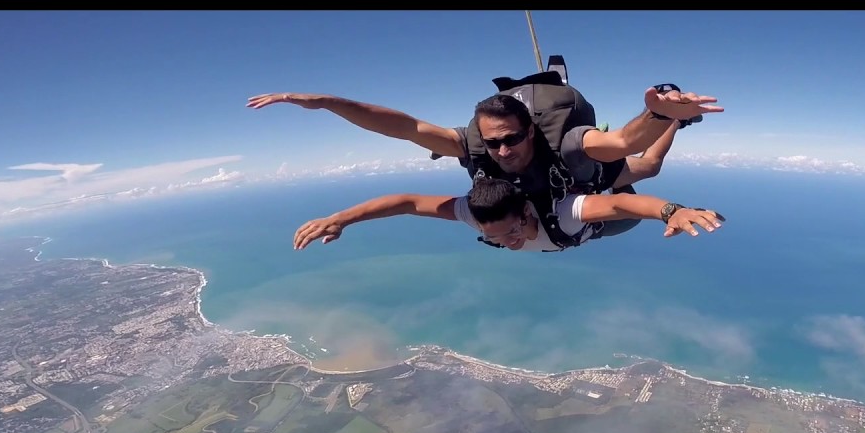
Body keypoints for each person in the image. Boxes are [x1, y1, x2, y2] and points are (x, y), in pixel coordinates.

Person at [246, 81, 721, 196]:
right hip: (542, 191)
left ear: (530, 129)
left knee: (649, 167)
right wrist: (330, 103)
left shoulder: (568, 140)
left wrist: (656, 114)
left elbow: (621, 144)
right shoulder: (473, 144)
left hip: (580, 178)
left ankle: (680, 123)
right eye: (493, 143)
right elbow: (405, 127)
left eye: (512, 139)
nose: (503, 150)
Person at [291, 168, 725, 254]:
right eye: (495, 239)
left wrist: (670, 210)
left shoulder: (566, 212)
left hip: (607, 223)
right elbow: (407, 202)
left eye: (512, 232)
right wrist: (342, 218)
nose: (509, 242)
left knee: (640, 171)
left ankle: (673, 122)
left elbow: (619, 205)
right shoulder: (473, 213)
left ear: (526, 212)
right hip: (580, 222)